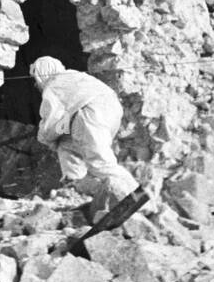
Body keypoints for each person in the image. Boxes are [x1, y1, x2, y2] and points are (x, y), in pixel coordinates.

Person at [29, 57, 137, 212]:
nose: (35, 84)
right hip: (110, 112)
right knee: (66, 144)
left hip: (91, 113)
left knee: (100, 162)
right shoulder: (75, 76)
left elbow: (51, 122)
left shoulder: (54, 85)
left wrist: (43, 137)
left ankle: (133, 196)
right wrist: (55, 139)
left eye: (35, 78)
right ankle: (74, 185)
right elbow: (64, 121)